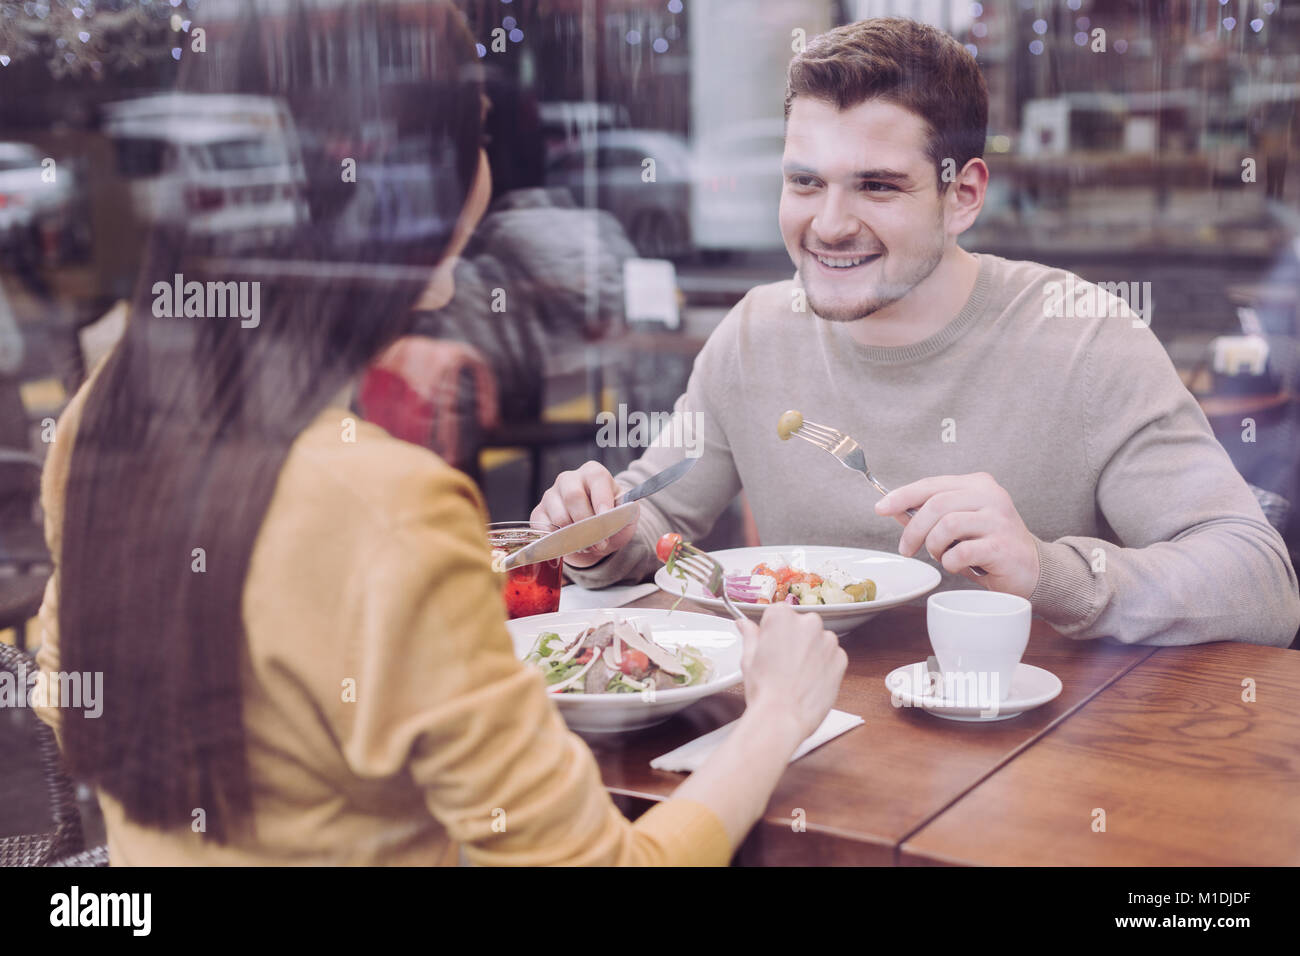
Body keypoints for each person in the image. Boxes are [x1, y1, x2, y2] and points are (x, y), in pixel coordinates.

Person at [31, 0, 846, 865]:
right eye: (476, 131)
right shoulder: (389, 510)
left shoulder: (104, 420)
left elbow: (65, 690)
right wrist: (776, 717)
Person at [535, 17, 1300, 648]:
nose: (829, 225)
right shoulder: (757, 333)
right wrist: (599, 537)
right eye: (805, 181)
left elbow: (1260, 583)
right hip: (809, 742)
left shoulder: (1083, 338)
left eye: (877, 185)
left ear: (962, 194)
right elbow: (659, 519)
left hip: (1037, 766)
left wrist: (1045, 568)